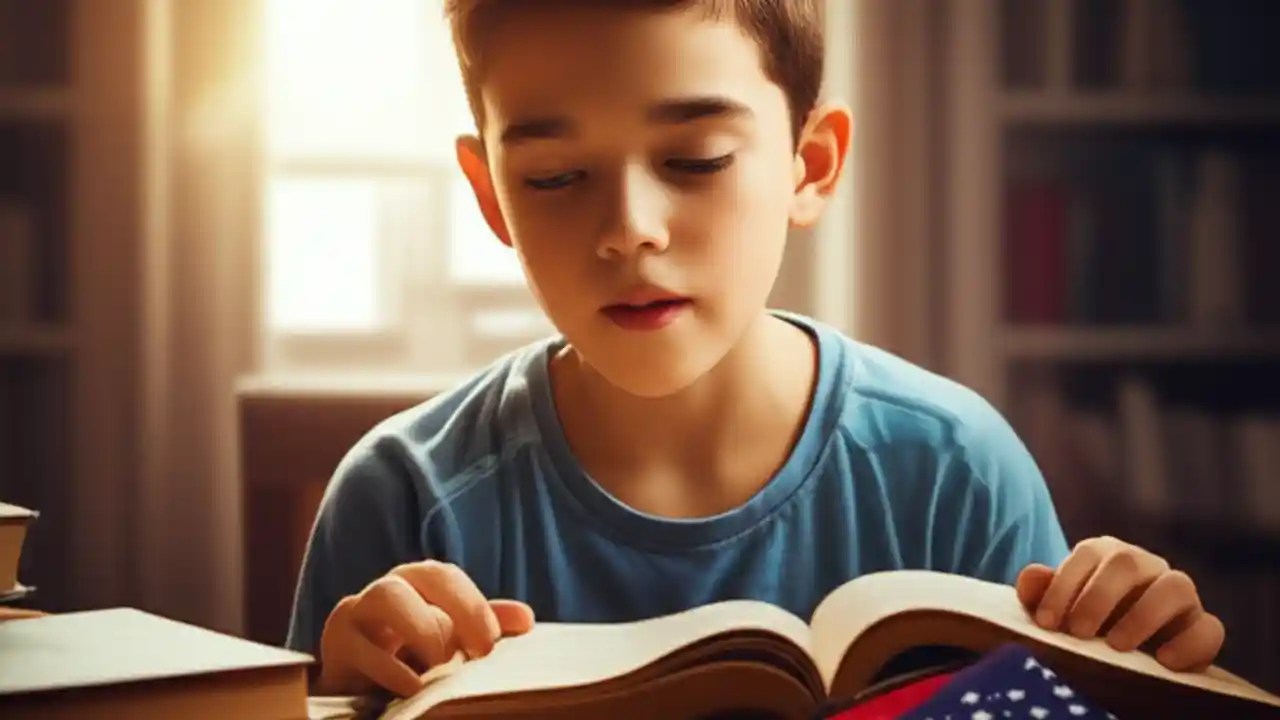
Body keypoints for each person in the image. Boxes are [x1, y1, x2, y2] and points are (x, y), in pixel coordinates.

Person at [287, 0, 1224, 698]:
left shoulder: (956, 472)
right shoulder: (403, 497)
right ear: (491, 194)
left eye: (694, 161)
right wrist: (334, 700)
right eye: (554, 177)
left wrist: (1132, 668)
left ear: (809, 166)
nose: (629, 230)